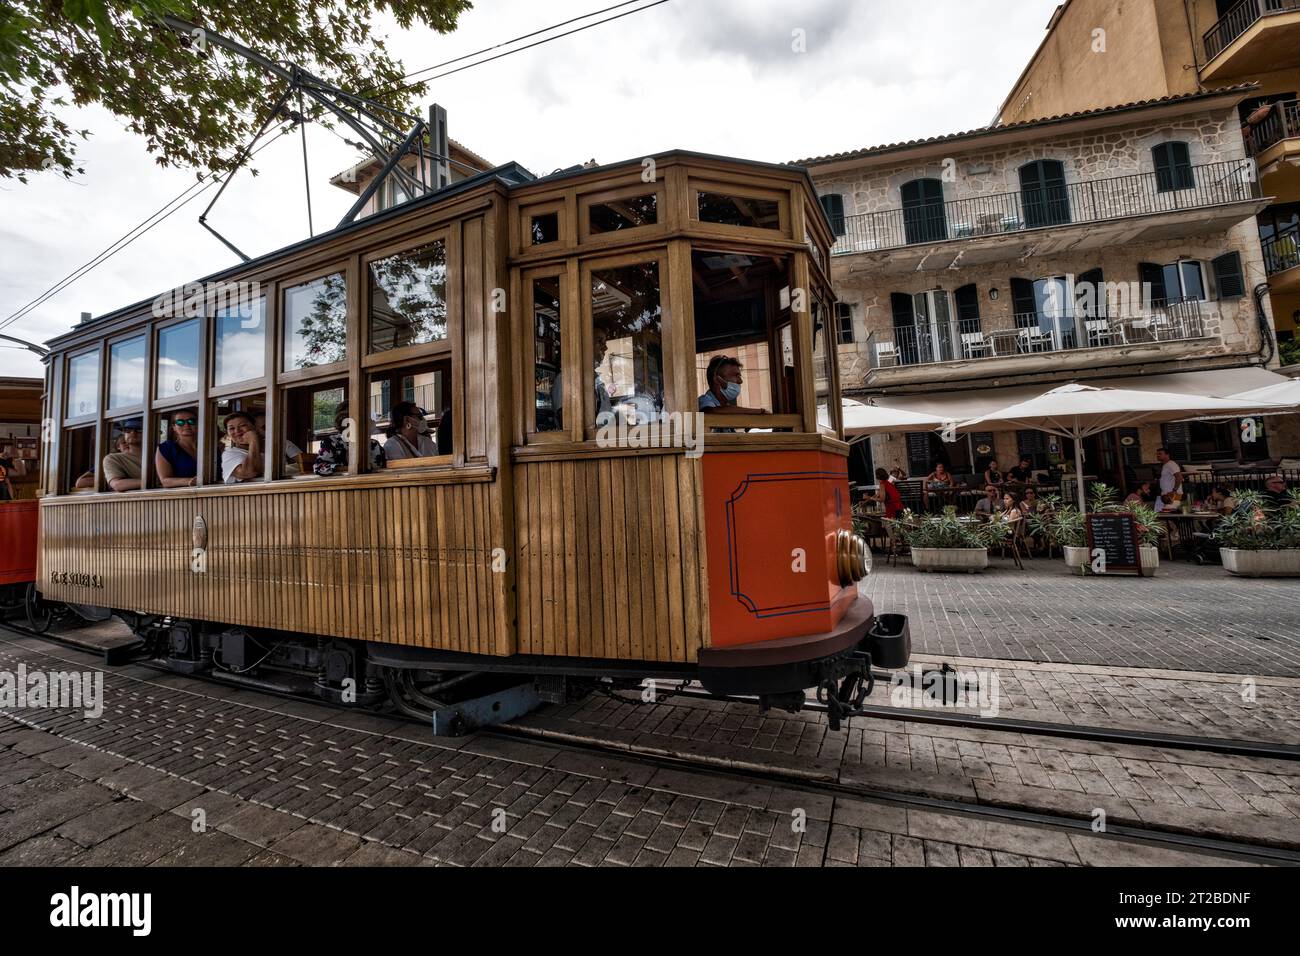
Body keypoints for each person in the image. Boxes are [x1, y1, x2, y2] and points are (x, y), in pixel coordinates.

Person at [314, 402, 385, 476]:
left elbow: (386, 465)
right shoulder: (332, 442)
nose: (372, 421)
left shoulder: (374, 444)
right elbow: (319, 467)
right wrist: (348, 469)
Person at [699, 355, 768, 417]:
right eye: (736, 375)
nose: (740, 381)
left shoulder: (726, 407)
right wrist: (759, 412)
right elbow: (710, 412)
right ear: (717, 380)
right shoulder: (704, 401)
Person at [156, 409, 198, 488]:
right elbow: (165, 481)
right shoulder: (167, 448)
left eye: (191, 421)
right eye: (180, 422)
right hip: (181, 496)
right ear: (174, 427)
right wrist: (189, 481)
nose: (186, 425)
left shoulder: (211, 447)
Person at [102, 419, 144, 492]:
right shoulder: (113, 458)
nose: (133, 433)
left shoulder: (160, 454)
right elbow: (117, 484)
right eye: (128, 430)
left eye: (139, 430)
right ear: (124, 433)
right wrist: (157, 483)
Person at [221, 411, 264, 483]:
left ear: (255, 427)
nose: (237, 430)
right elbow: (249, 472)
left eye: (242, 425)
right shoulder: (229, 454)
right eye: (231, 428)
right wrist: (253, 441)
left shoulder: (268, 447)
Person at [1155, 447, 1183, 512]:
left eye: (1160, 454)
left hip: (1172, 495)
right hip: (1166, 496)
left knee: (1171, 515)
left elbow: (1179, 477)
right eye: (1157, 454)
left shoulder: (1171, 464)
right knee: (1166, 516)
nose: (1158, 455)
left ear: (1167, 455)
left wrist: (1174, 490)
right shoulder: (1165, 465)